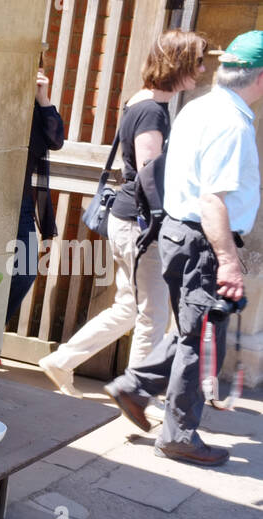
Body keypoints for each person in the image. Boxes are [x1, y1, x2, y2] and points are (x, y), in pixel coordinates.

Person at [104, 31, 263, 467]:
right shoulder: (230, 123)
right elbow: (212, 200)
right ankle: (178, 436)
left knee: (198, 328)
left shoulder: (199, 108)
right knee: (204, 338)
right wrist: (229, 261)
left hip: (181, 234)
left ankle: (135, 386)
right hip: (202, 241)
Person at [39, 30, 209, 395]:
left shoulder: (140, 101)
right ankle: (136, 395)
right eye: (196, 61)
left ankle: (62, 360)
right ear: (177, 64)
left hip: (129, 221)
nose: (202, 68)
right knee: (153, 316)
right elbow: (149, 170)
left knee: (130, 308)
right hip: (140, 225)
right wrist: (164, 221)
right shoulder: (152, 110)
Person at [6, 59, 66, 323]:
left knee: (26, 268)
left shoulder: (36, 107)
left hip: (21, 200)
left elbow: (56, 140)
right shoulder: (3, 97)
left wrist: (43, 99)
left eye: (40, 67)